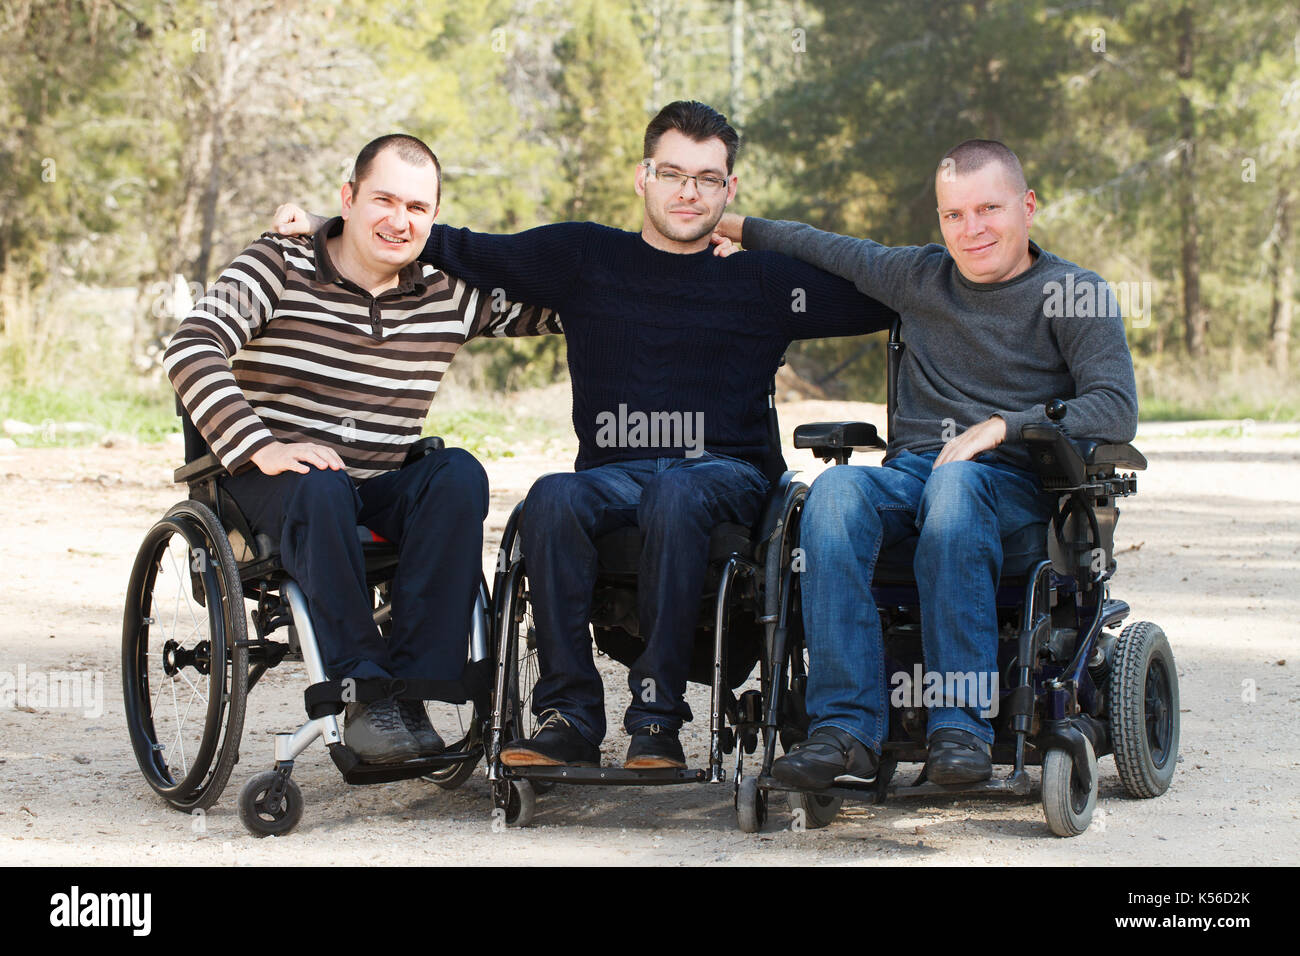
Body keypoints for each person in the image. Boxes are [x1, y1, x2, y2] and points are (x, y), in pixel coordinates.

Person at [276, 100, 896, 770]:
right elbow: (464, 247)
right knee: (550, 496)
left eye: (709, 179)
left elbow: (886, 286)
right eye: (672, 173)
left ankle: (655, 721)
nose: (688, 191)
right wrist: (325, 225)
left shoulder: (761, 279)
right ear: (642, 177)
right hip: (613, 474)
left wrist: (760, 234)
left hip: (728, 474)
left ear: (730, 189)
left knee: (679, 493)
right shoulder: (584, 257)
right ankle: (568, 715)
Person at [712, 139, 1139, 788]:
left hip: (1022, 487)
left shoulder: (1074, 293)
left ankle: (961, 730)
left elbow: (1114, 408)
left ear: (1028, 206)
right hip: (916, 474)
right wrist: (725, 225)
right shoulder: (919, 276)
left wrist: (1004, 427)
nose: (971, 231)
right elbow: (824, 245)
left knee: (959, 486)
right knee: (835, 492)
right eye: (953, 215)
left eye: (988, 209)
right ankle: (844, 729)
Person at [164, 134, 558, 764]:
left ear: (435, 217)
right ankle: (362, 690)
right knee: (321, 484)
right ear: (347, 198)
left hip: (376, 482)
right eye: (382, 200)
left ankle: (417, 686)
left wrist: (688, 261)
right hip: (270, 484)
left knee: (458, 474)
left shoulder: (448, 290)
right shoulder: (279, 263)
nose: (399, 221)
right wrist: (259, 444)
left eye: (418, 208)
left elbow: (573, 308)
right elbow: (192, 345)